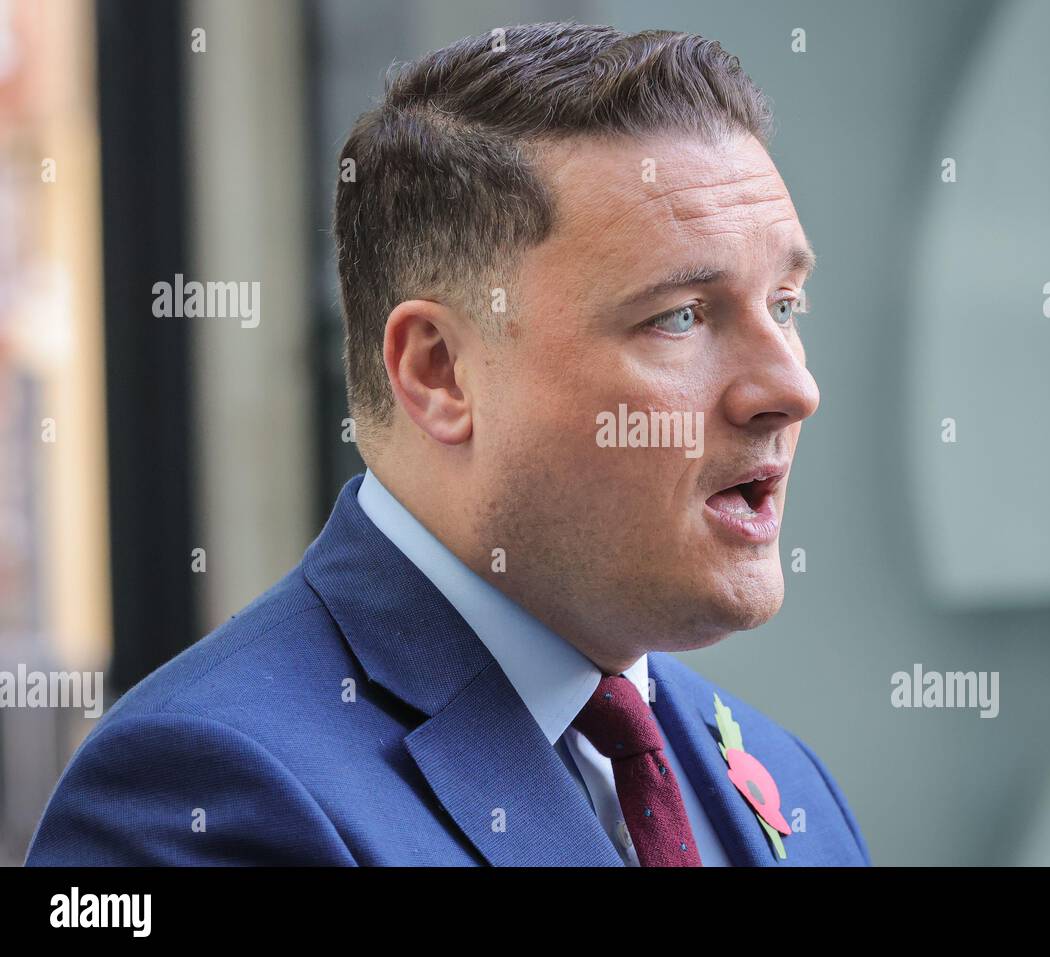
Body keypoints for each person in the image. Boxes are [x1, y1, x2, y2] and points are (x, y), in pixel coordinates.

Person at [26, 21, 869, 866]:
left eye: (786, 305)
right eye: (680, 316)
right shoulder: (198, 794)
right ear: (439, 372)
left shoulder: (785, 780)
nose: (792, 389)